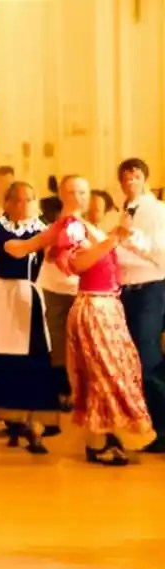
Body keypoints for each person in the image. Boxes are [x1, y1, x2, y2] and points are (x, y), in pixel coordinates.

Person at [53, 176, 155, 464]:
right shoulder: (70, 227)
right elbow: (77, 264)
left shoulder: (84, 226)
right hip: (94, 305)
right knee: (102, 373)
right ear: (62, 195)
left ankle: (104, 435)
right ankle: (97, 442)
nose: (79, 197)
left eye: (83, 191)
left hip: (108, 305)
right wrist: (114, 238)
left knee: (110, 372)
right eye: (72, 192)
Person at [0, 182, 61, 453]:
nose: (23, 204)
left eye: (28, 199)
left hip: (30, 297)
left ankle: (35, 423)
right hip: (3, 297)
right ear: (6, 203)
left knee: (34, 359)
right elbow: (10, 250)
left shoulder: (43, 230)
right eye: (17, 200)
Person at [113, 158, 165, 452]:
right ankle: (147, 428)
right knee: (130, 363)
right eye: (125, 175)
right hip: (126, 292)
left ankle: (162, 428)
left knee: (147, 360)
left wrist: (129, 237)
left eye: (136, 174)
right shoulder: (124, 211)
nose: (130, 179)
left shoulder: (157, 211)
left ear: (145, 178)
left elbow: (161, 254)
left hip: (149, 290)